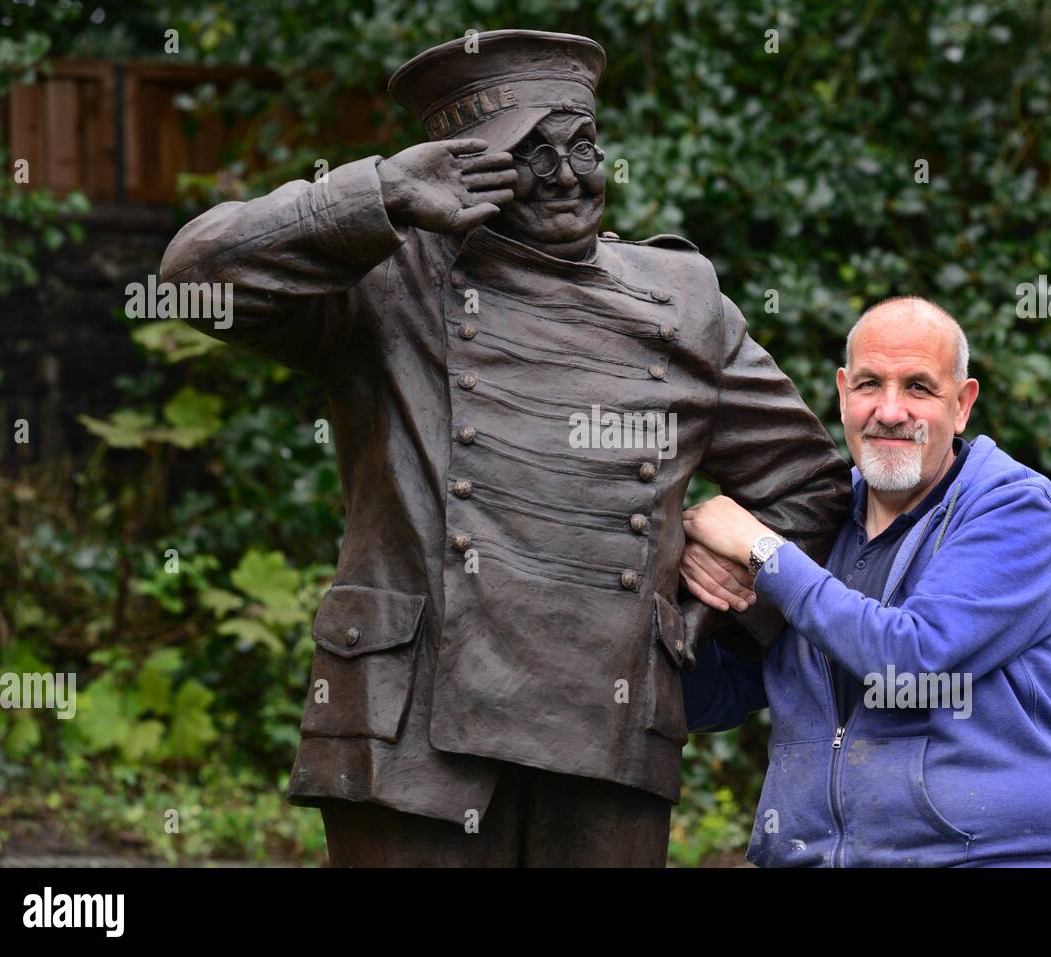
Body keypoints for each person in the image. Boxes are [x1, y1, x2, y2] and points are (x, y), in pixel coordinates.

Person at [159, 29, 848, 866]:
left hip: (611, 728)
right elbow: (194, 278)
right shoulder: (386, 282)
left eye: (584, 147)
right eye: (531, 152)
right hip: (408, 732)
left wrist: (713, 597)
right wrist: (377, 191)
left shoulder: (685, 299)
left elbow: (809, 486)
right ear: (460, 169)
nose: (566, 174)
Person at [680, 296, 1051, 867]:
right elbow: (721, 698)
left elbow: (910, 660)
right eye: (870, 384)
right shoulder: (819, 517)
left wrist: (760, 550)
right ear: (842, 393)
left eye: (919, 388)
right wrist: (678, 579)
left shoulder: (1014, 509)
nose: (891, 410)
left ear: (963, 404)